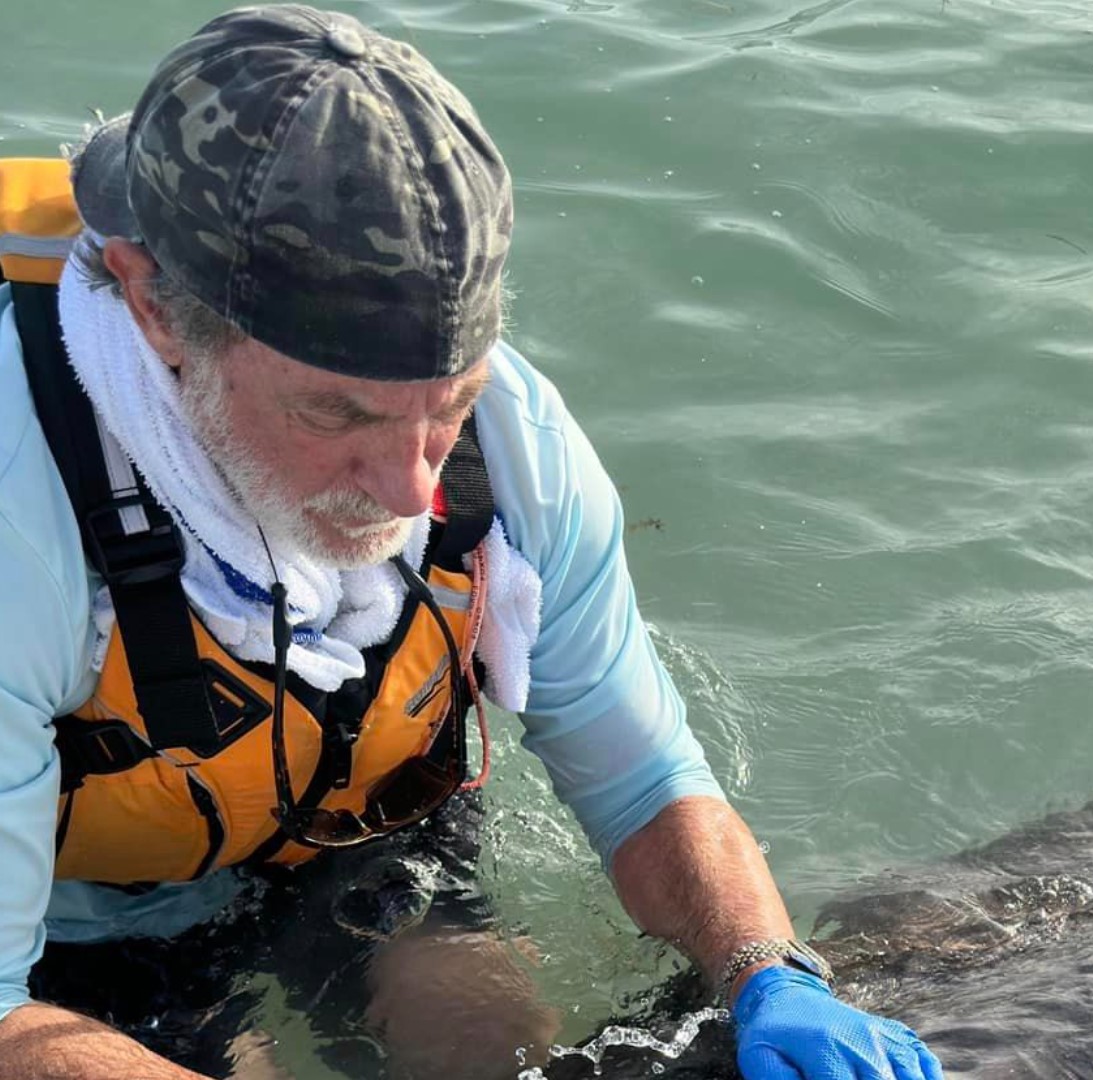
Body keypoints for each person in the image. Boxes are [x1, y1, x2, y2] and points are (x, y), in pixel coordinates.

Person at [0, 6, 944, 1080]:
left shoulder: (513, 446)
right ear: (154, 308)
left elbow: (641, 778)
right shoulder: (16, 517)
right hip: (71, 929)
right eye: (338, 416)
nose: (411, 488)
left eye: (447, 405)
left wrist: (770, 970)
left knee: (492, 1051)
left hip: (350, 827)